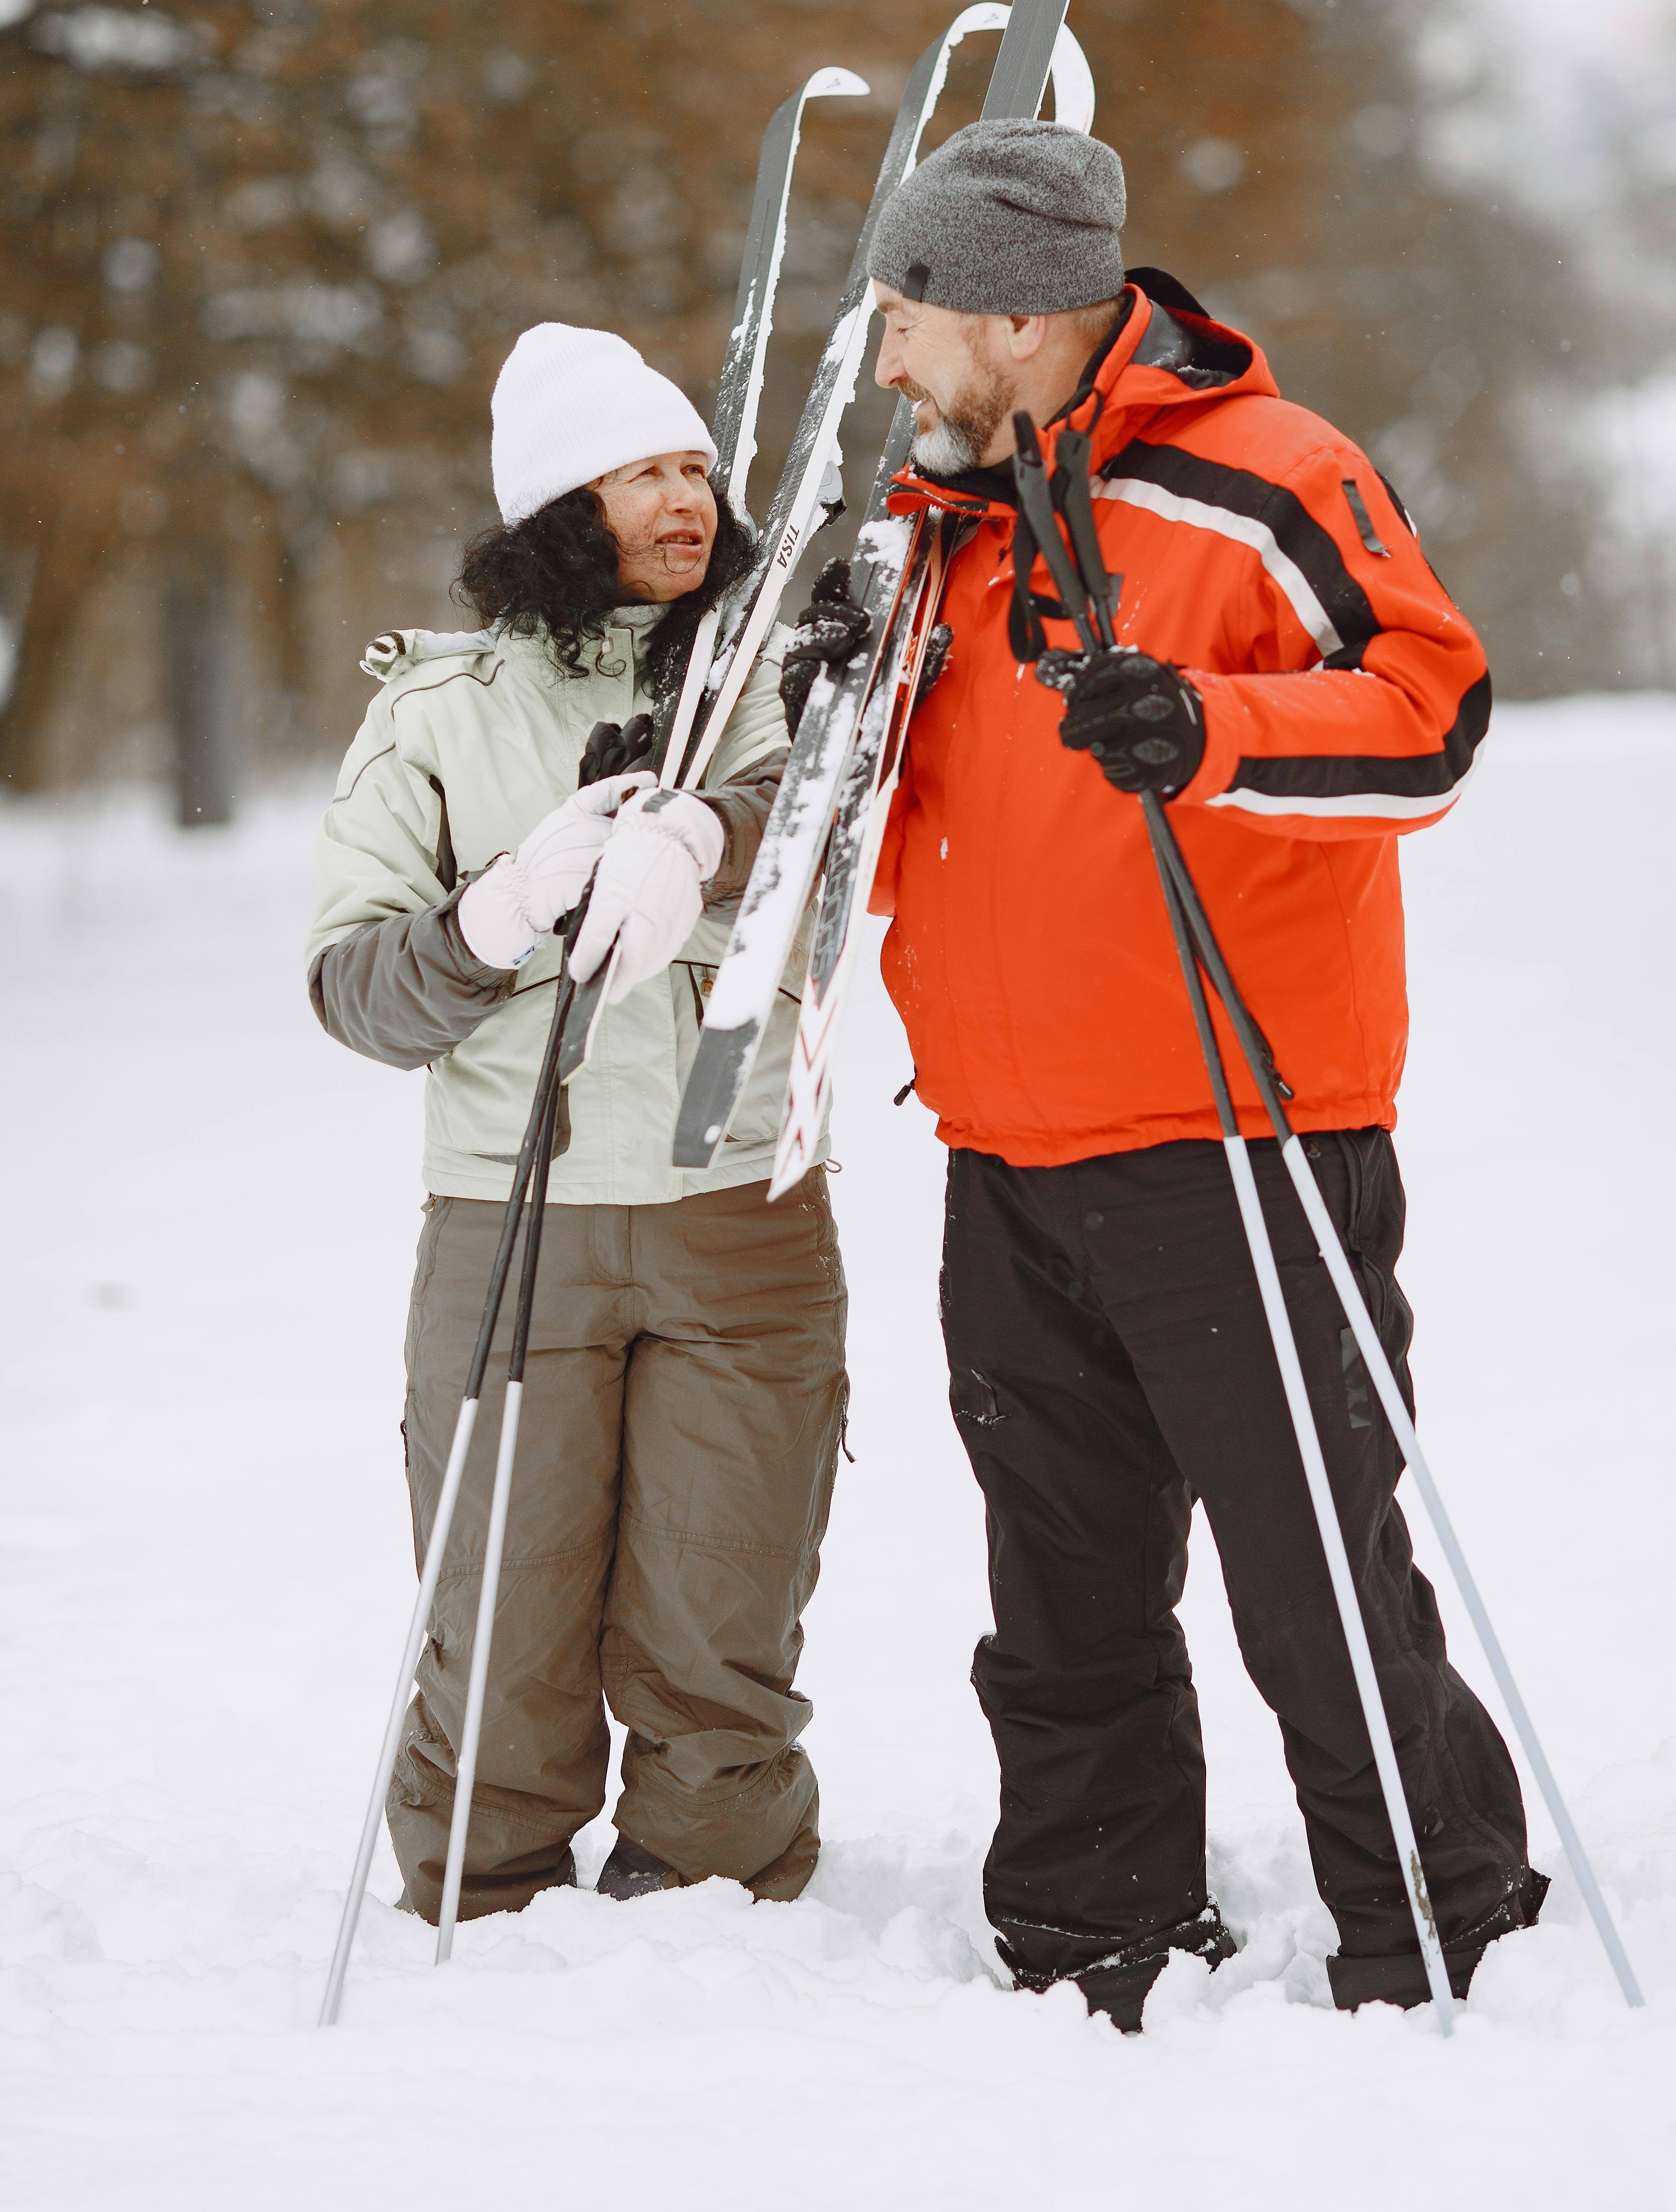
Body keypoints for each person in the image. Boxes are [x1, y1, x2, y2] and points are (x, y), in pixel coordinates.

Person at [793, 118, 1546, 2030]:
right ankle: (1087, 1925)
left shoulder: (1271, 478)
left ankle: (1437, 1917)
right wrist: (815, 677)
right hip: (1003, 1149)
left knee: (1310, 1574)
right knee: (1060, 1592)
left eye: (903, 316)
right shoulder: (933, 523)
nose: (883, 358)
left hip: (1241, 1138)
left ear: (1015, 317)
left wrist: (1213, 726)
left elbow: (1432, 716)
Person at [306, 322, 847, 1924]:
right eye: (647, 473)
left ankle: (715, 1912)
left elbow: (827, 815)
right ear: (559, 507)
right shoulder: (436, 714)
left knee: (720, 1626)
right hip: (507, 1228)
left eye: (699, 467)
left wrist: (711, 834)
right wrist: (493, 918)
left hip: (736, 1205)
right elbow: (355, 995)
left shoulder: (764, 680)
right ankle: (483, 1901)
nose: (692, 498)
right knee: (503, 1618)